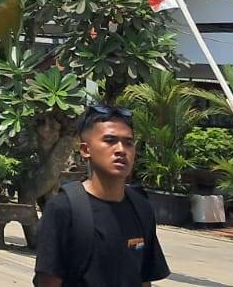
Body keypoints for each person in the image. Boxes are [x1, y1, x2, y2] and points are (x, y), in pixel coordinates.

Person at [33, 105, 169, 287]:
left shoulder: (141, 208)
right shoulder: (63, 209)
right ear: (85, 150)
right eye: (110, 140)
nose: (121, 150)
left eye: (128, 143)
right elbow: (48, 282)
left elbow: (144, 279)